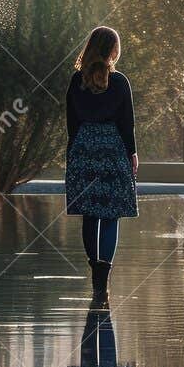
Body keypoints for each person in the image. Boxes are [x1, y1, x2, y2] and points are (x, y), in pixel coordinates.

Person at [65, 26, 139, 306]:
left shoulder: (76, 81)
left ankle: (94, 270)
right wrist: (132, 153)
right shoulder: (120, 82)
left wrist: (73, 152)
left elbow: (71, 121)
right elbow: (127, 122)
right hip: (113, 148)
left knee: (89, 214)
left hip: (84, 147)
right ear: (113, 50)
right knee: (111, 215)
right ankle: (103, 278)